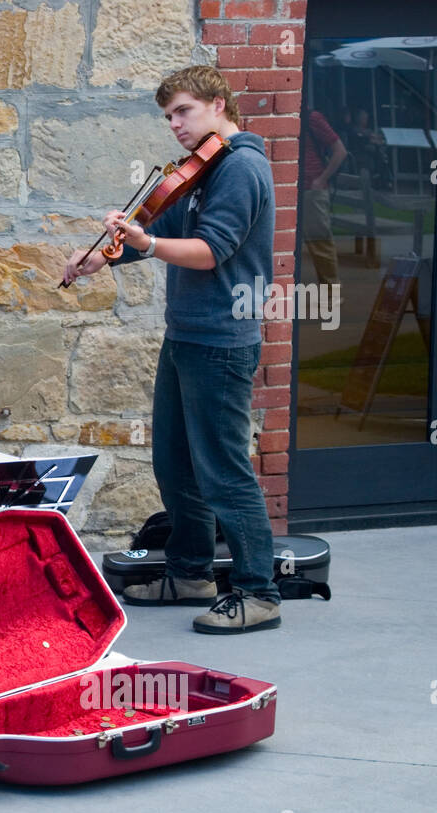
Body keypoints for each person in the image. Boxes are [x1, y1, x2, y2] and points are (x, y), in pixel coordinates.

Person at [63, 65, 281, 634]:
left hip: (221, 342)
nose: (174, 125)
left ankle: (259, 592)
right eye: (168, 116)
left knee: (224, 471)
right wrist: (104, 256)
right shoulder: (201, 172)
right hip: (186, 333)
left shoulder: (241, 168)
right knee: (175, 464)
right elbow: (165, 229)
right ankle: (190, 573)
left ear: (217, 103)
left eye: (183, 111)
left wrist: (147, 242)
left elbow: (209, 251)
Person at [300, 107, 348, 283]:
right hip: (295, 190)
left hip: (312, 191)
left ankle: (332, 295)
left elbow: (340, 151)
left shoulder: (312, 118)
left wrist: (320, 180)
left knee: (320, 244)